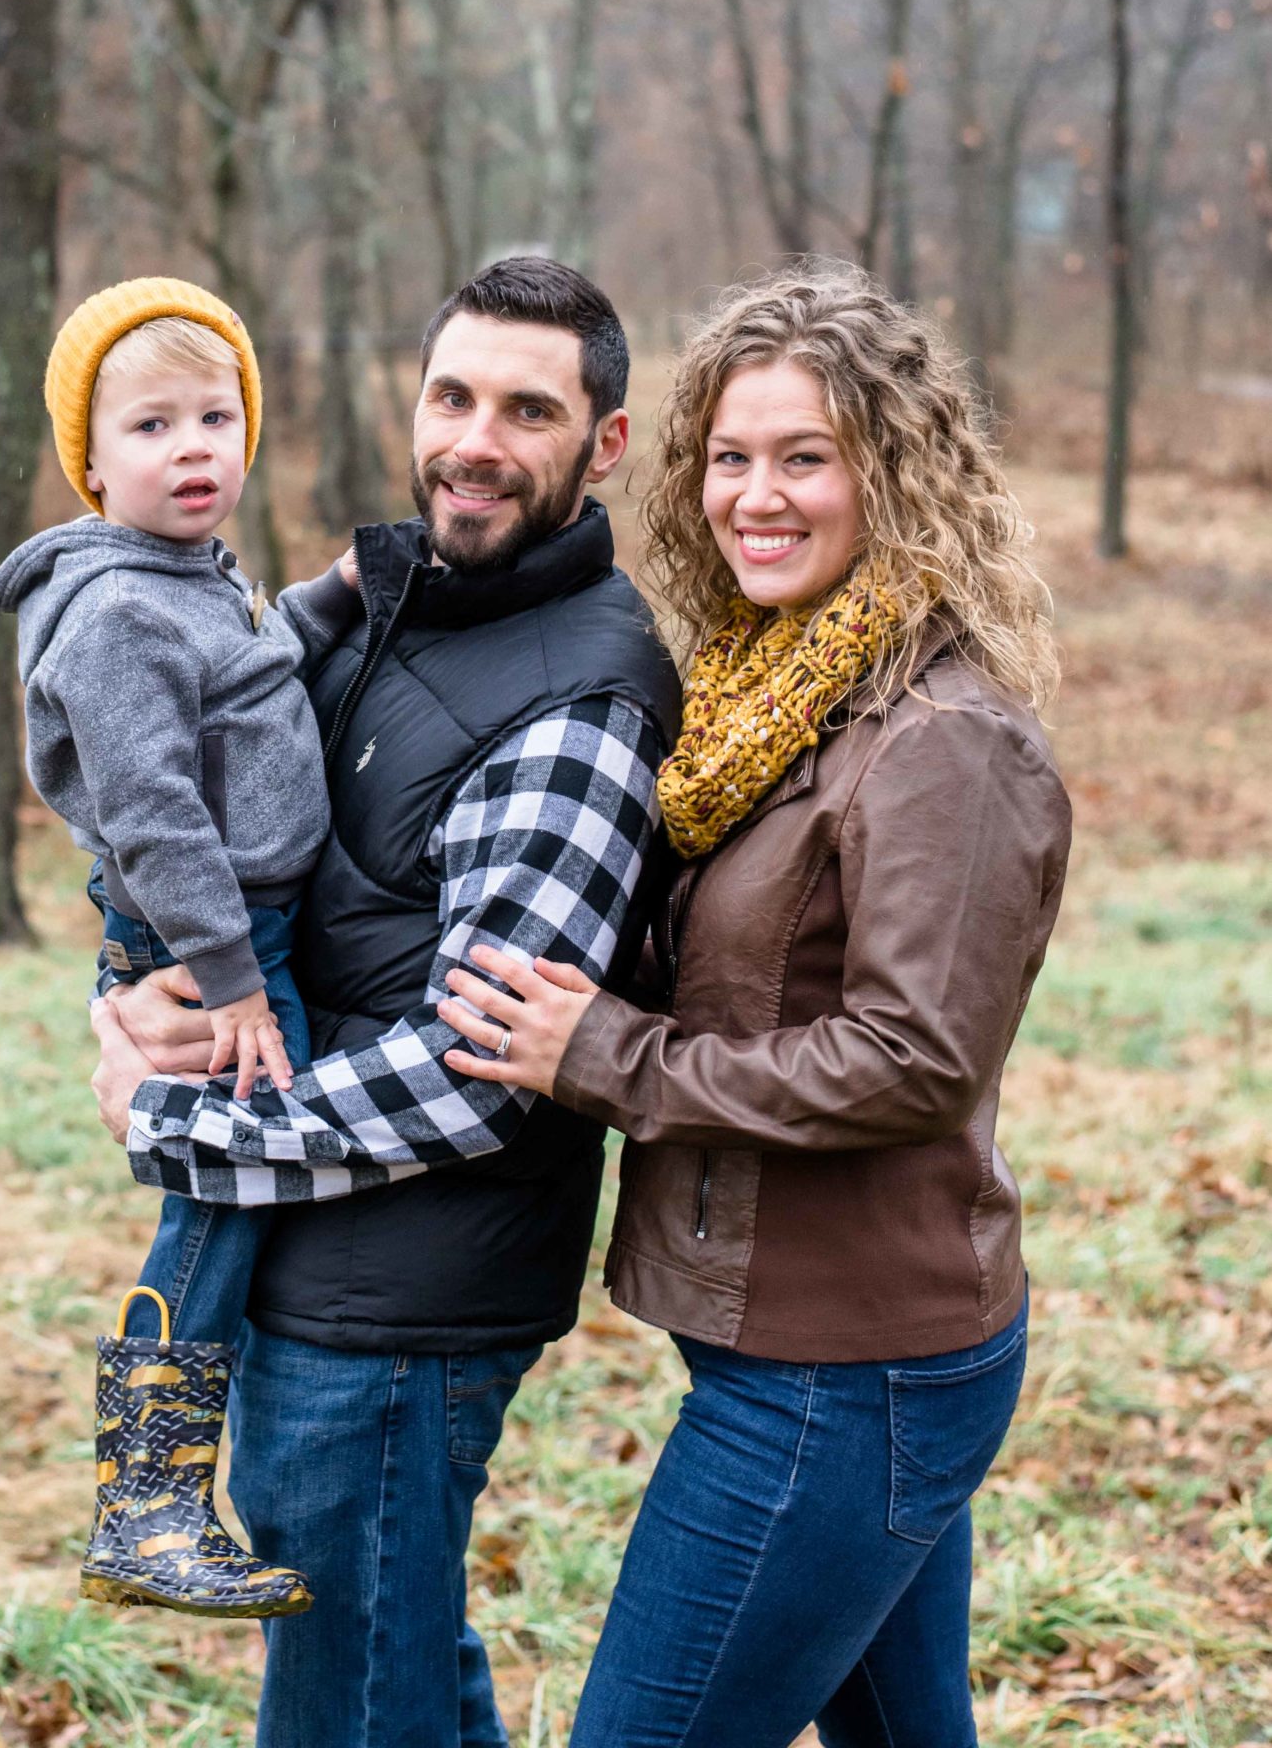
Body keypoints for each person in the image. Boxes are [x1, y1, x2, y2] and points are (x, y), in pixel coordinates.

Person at [434, 261, 1072, 1748]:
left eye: (806, 458)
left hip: (846, 1376)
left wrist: (601, 1050)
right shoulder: (766, 695)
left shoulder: (943, 739)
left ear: (895, 474)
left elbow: (910, 1059)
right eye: (731, 457)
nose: (755, 496)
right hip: (810, 1349)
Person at [90, 255, 681, 1748]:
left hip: (406, 1300)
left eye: (528, 410)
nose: (475, 439)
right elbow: (227, 833)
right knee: (389, 1654)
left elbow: (477, 1073)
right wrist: (162, 998)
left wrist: (183, 1128)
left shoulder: (577, 706)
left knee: (351, 1702)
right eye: (452, 394)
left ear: (603, 444)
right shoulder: (392, 606)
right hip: (326, 1251)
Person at [0, 276, 361, 1620]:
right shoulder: (114, 612)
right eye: (152, 427)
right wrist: (233, 978)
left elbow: (249, 673)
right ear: (90, 463)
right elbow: (152, 811)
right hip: (214, 934)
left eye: (216, 415)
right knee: (223, 1198)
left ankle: (181, 1488)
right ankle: (146, 1506)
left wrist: (328, 594)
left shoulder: (188, 578)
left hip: (233, 927)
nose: (193, 447)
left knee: (239, 1197)